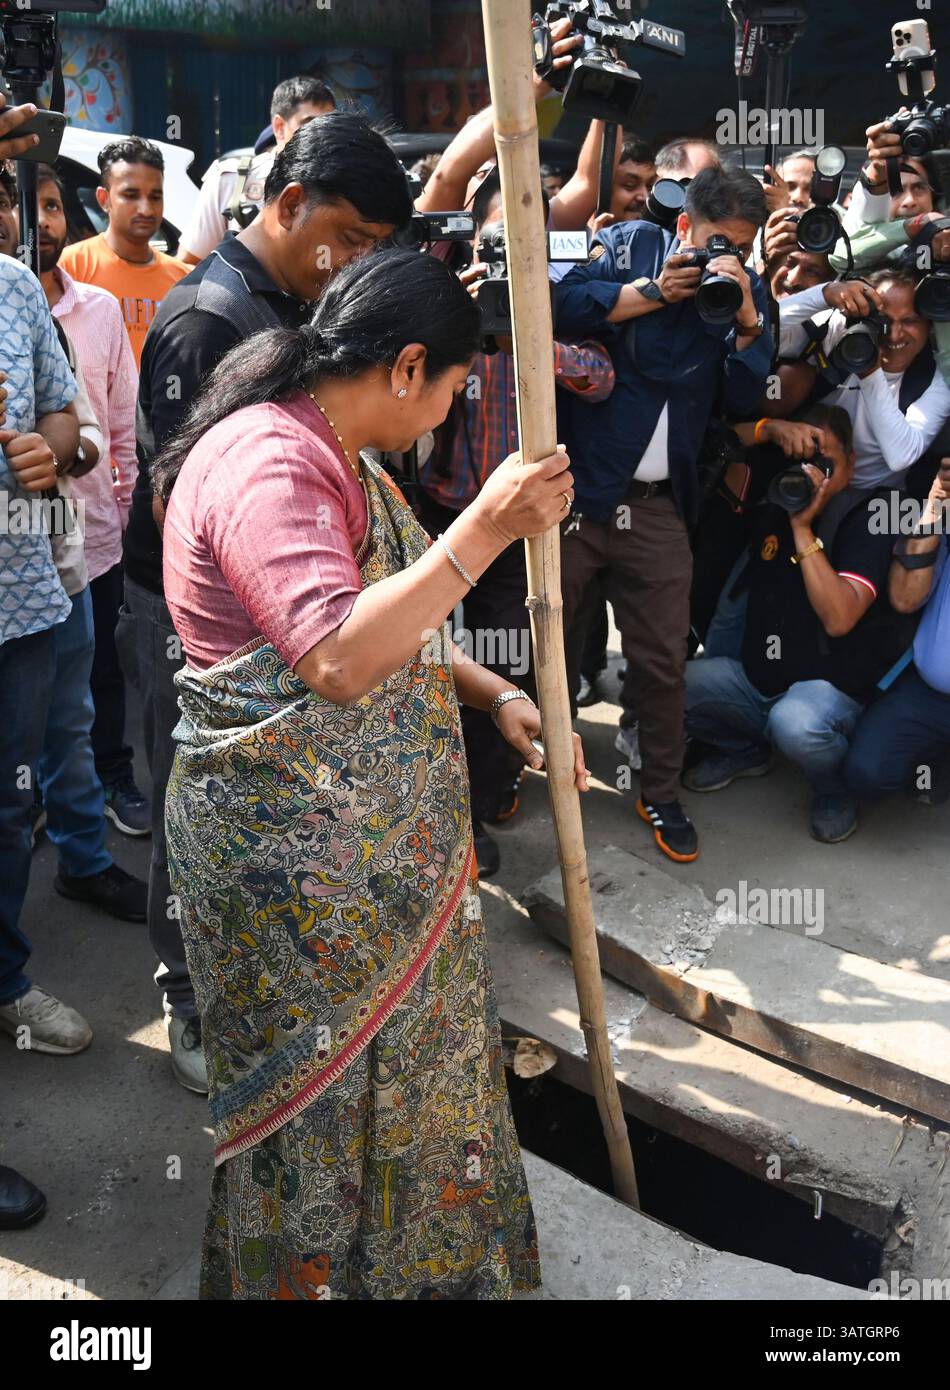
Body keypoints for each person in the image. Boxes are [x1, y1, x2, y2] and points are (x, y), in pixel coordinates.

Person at [151, 248, 587, 1300]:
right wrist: (487, 525)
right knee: (315, 1120)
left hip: (364, 872)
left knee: (398, 1097)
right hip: (294, 881)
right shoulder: (273, 463)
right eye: (448, 386)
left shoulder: (333, 448)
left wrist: (495, 694)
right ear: (404, 368)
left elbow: (393, 612)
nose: (446, 411)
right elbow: (338, 656)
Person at [123, 110, 412, 1092]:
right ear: (289, 204)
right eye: (353, 241)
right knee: (192, 806)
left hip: (274, 616)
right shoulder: (208, 319)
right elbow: (180, 492)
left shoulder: (292, 301)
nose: (356, 264)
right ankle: (187, 995)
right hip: (191, 620)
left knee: (259, 816)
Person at [555, 165, 773, 862]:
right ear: (685, 224)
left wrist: (745, 318)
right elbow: (556, 305)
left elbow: (747, 399)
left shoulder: (744, 287)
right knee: (550, 643)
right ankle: (528, 775)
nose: (722, 256)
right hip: (578, 493)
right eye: (714, 241)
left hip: (656, 510)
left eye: (739, 245)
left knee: (661, 661)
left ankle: (661, 793)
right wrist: (648, 293)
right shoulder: (627, 244)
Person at [417, 169, 615, 875]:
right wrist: (468, 322)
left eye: (528, 234)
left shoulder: (557, 296)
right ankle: (435, 807)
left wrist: (534, 343)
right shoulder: (444, 295)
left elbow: (601, 375)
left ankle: (487, 797)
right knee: (427, 662)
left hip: (519, 527)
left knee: (504, 664)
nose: (512, 249)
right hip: (440, 512)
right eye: (501, 233)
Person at [685, 406, 912, 843]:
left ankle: (832, 789)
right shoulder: (775, 500)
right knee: (666, 685)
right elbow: (716, 440)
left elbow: (840, 617)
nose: (813, 473)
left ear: (854, 463)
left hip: (825, 694)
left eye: (825, 462)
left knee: (796, 724)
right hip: (759, 682)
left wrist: (804, 529)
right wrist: (770, 430)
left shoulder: (875, 513)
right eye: (803, 460)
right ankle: (746, 750)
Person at [33, 164, 148, 837]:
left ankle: (110, 779)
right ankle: (42, 796)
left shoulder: (98, 311)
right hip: (19, 544)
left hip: (96, 536)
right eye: (31, 205)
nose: (42, 220)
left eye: (52, 206)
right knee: (34, 681)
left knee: (102, 674)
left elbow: (122, 428)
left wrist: (128, 518)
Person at [847, 459, 950, 805]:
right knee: (866, 772)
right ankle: (935, 757)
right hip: (932, 695)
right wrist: (935, 506)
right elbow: (904, 599)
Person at [59, 137, 188, 371]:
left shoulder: (185, 280)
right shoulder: (70, 268)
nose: (145, 208)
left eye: (155, 197)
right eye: (131, 195)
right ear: (103, 199)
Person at [178, 76, 336, 265]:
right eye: (308, 124)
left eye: (328, 125)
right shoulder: (233, 180)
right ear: (279, 127)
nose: (320, 135)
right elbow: (190, 263)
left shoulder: (343, 185)